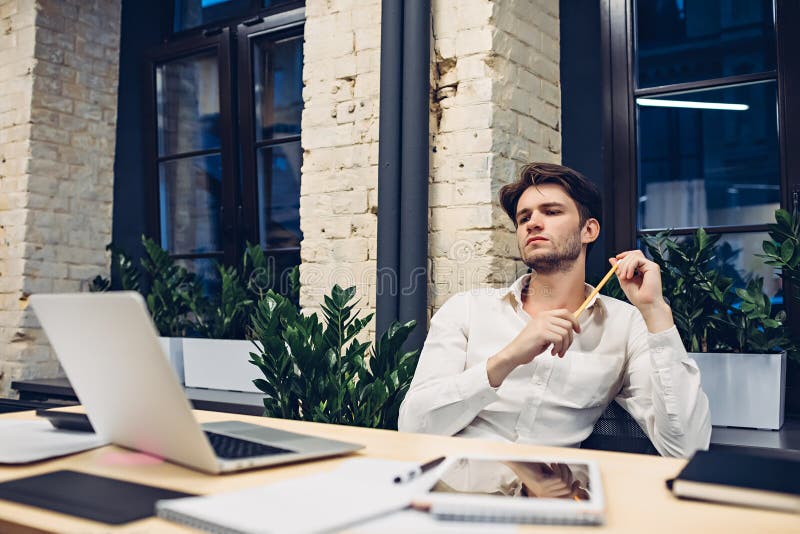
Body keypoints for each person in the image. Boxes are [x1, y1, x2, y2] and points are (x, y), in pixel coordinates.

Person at [398, 162, 711, 458]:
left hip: (554, 499)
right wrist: (506, 359)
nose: (533, 222)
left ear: (589, 230)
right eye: (524, 218)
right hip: (452, 491)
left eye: (551, 211)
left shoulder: (625, 326)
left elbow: (686, 448)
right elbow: (413, 426)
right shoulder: (466, 310)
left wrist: (655, 310)